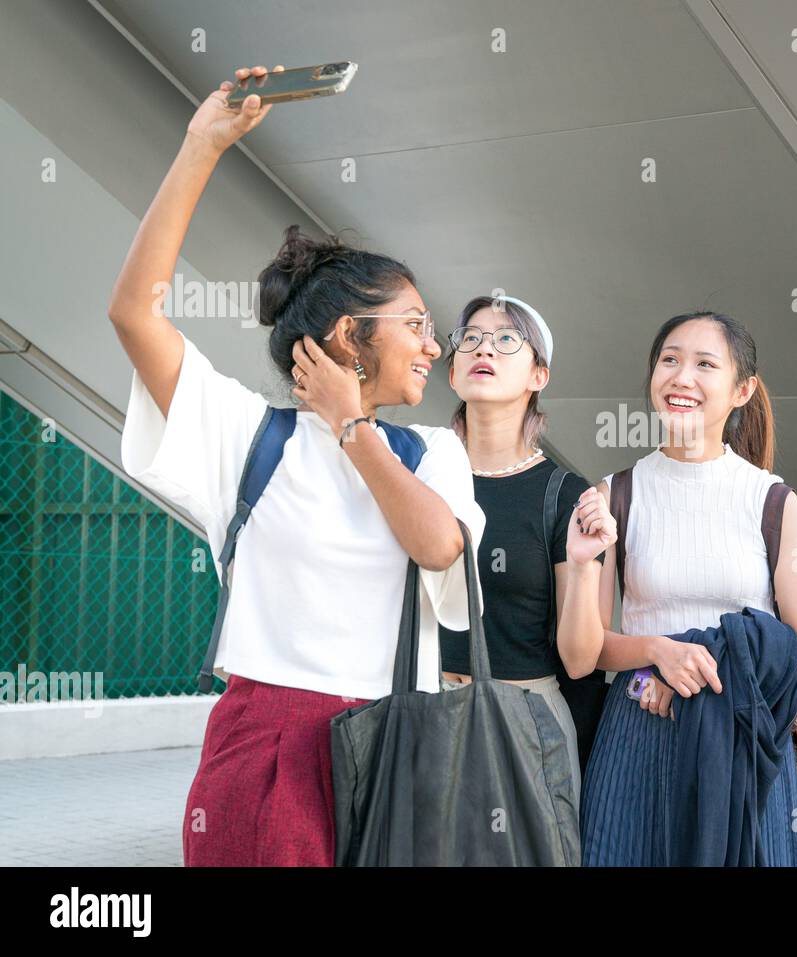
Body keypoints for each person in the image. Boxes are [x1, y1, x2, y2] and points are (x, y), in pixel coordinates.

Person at [109, 65, 485, 866]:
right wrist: (200, 145)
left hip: (392, 746)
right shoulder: (248, 435)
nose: (433, 345)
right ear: (351, 336)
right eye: (415, 323)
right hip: (263, 747)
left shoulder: (433, 453)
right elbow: (134, 312)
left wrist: (353, 425)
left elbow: (440, 548)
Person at [580, 310, 797, 866]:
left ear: (742, 390)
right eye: (669, 360)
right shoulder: (616, 494)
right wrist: (656, 653)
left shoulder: (772, 501)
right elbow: (592, 644)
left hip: (744, 736)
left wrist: (703, 653)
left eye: (704, 365)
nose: (681, 377)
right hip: (640, 729)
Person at [437, 293, 615, 806]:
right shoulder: (420, 471)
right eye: (469, 339)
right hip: (424, 705)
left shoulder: (564, 494)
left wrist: (584, 569)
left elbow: (581, 662)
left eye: (506, 340)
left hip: (525, 721)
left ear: (540, 375)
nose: (482, 349)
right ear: (452, 373)